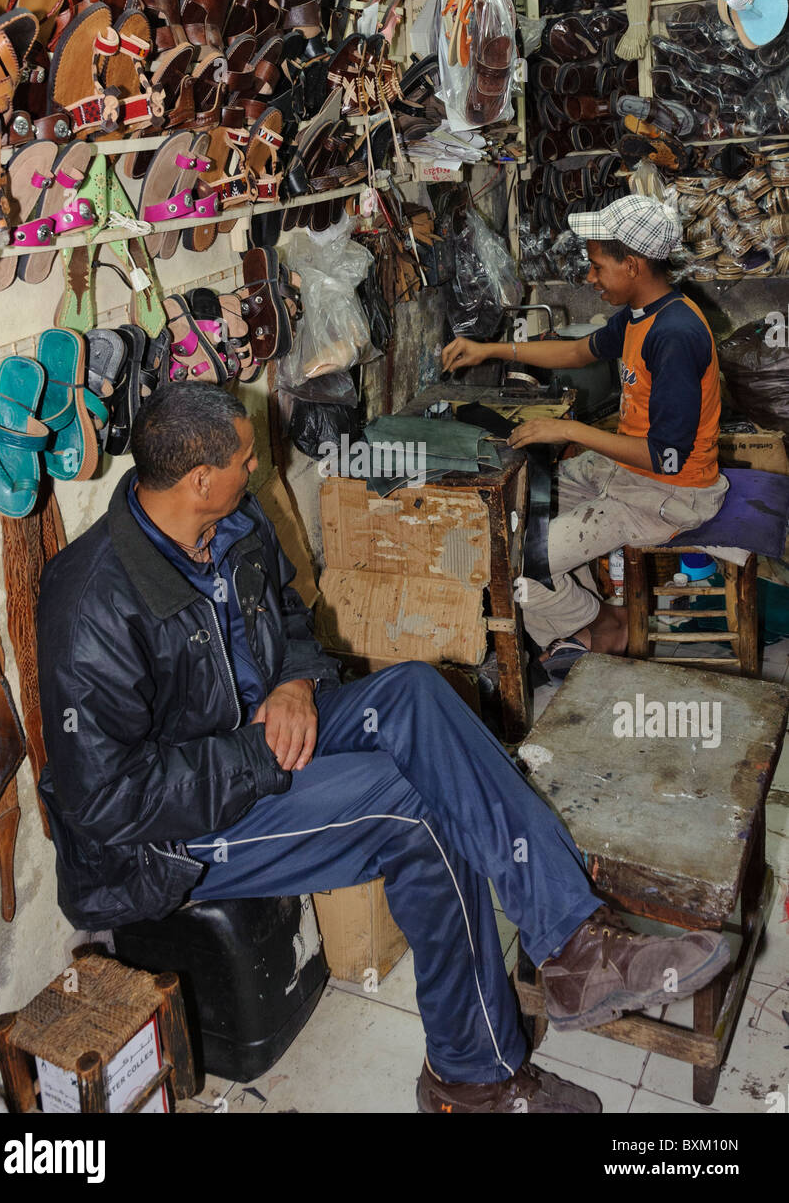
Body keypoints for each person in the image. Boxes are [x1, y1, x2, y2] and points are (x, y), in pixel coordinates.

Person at [36, 380, 730, 1115]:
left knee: (415, 692)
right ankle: (473, 1079)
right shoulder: (91, 601)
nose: (259, 469)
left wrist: (298, 682)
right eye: (247, 459)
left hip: (258, 738)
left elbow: (294, 624)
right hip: (169, 836)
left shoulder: (233, 527)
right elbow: (108, 799)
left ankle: (575, 943)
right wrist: (258, 753)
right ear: (199, 479)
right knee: (419, 810)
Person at [441, 194, 728, 680]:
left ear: (632, 265)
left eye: (596, 267)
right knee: (521, 504)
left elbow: (668, 458)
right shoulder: (644, 312)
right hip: (625, 471)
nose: (590, 278)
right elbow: (578, 352)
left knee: (510, 564)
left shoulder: (675, 334)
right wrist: (487, 349)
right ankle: (583, 623)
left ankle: (600, 624)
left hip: (668, 494)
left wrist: (571, 429)